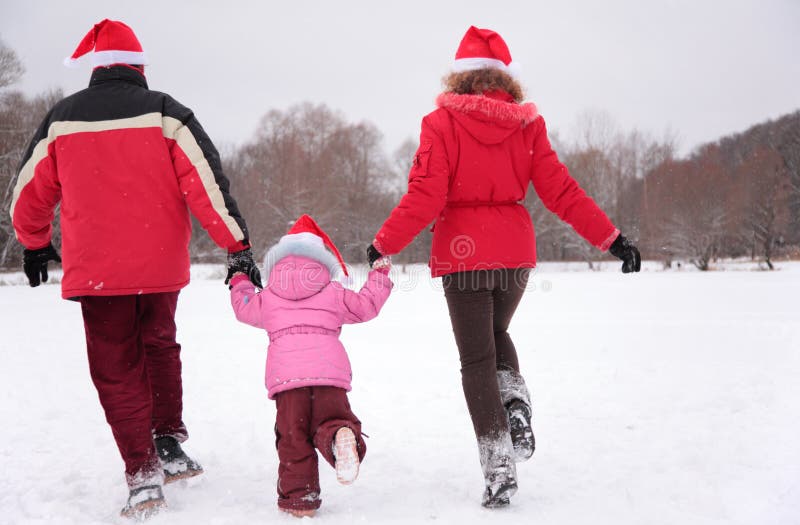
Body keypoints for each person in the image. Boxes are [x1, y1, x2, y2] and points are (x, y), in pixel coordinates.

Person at [367, 26, 641, 508]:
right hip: (515, 254)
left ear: (461, 77)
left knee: (476, 360)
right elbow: (561, 190)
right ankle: (513, 402)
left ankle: (498, 465)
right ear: (506, 81)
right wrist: (612, 239)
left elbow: (426, 194)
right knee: (495, 336)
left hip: (463, 254)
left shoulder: (442, 123)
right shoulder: (526, 125)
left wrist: (383, 243)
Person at [9, 19, 262, 520]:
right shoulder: (166, 112)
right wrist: (236, 245)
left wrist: (34, 242)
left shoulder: (63, 119)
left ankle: (142, 473)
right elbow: (207, 184)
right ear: (139, 66)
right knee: (160, 345)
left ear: (95, 70)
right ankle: (167, 441)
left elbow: (27, 194)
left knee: (116, 367)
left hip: (99, 272)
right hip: (159, 265)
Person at [229, 214, 393, 518]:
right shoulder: (332, 292)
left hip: (287, 381)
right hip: (329, 376)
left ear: (276, 262)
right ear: (322, 261)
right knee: (330, 419)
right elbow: (366, 306)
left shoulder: (270, 296)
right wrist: (379, 273)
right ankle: (338, 434)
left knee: (292, 438)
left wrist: (239, 277)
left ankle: (300, 499)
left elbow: (243, 308)